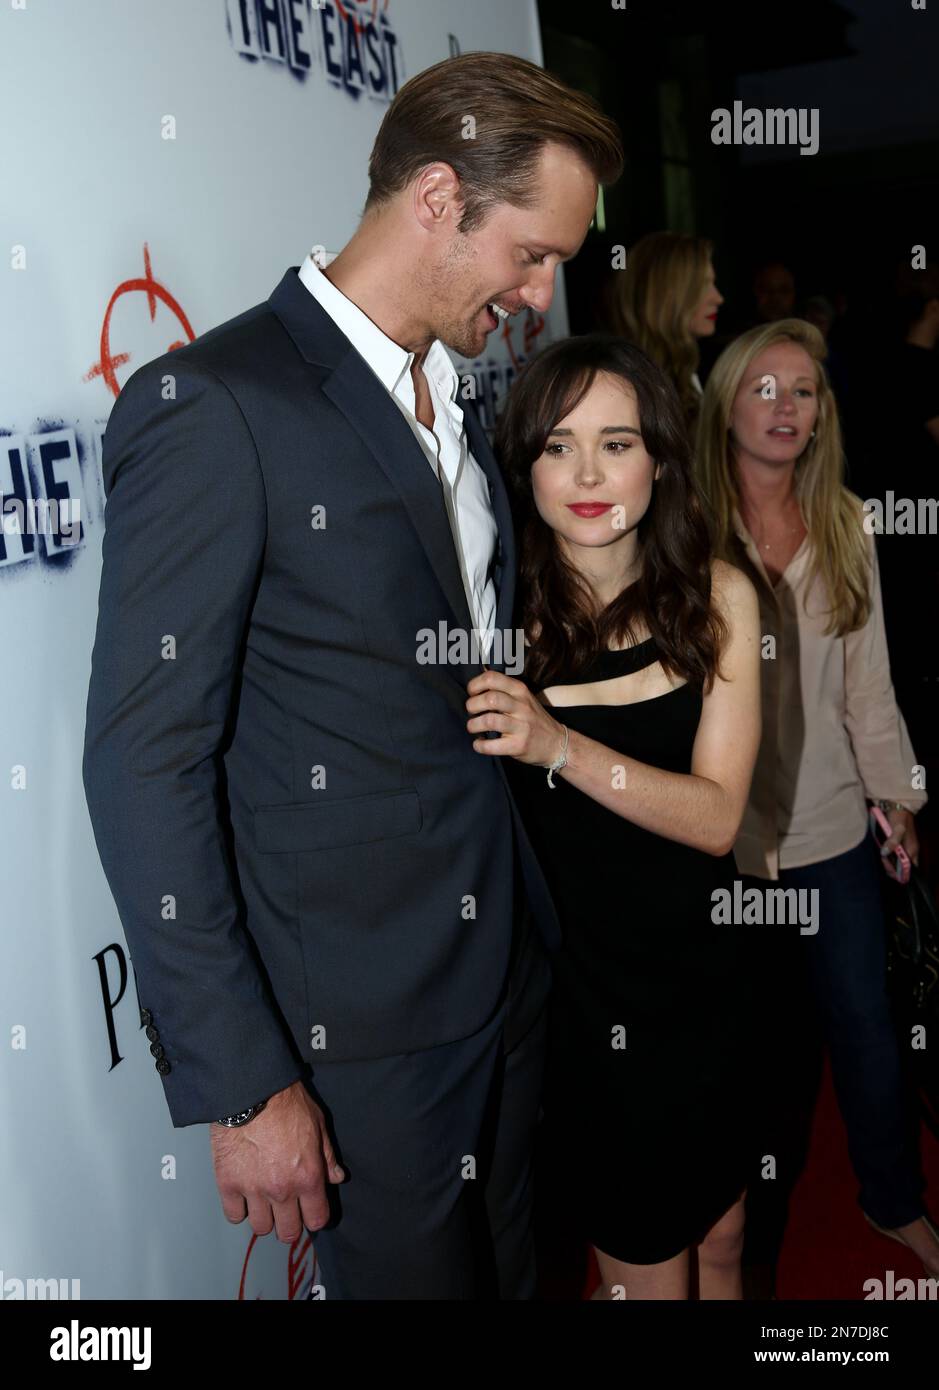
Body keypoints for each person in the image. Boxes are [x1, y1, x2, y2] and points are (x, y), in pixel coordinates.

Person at [81, 51, 623, 1300]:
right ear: (439, 199)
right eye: (533, 253)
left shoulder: (455, 394)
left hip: (505, 976)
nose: (543, 294)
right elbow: (144, 759)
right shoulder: (214, 404)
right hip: (356, 1040)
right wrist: (244, 1079)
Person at [468, 333, 762, 1299]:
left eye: (616, 443)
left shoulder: (717, 598)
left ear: (661, 458)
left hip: (706, 981)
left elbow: (719, 819)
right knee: (646, 1277)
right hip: (584, 1012)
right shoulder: (493, 622)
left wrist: (559, 746)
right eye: (557, 446)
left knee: (722, 1240)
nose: (587, 474)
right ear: (526, 465)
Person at [695, 317, 939, 1293]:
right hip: (723, 844)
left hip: (835, 830)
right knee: (748, 1053)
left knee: (868, 1027)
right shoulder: (687, 528)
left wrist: (900, 796)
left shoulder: (845, 522)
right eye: (765, 386)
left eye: (804, 390)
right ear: (726, 401)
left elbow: (867, 688)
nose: (786, 407)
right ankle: (736, 1235)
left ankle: (893, 1196)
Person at [606, 231, 724, 438]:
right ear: (669, 294)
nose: (718, 298)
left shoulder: (685, 372)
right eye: (704, 285)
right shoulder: (630, 387)